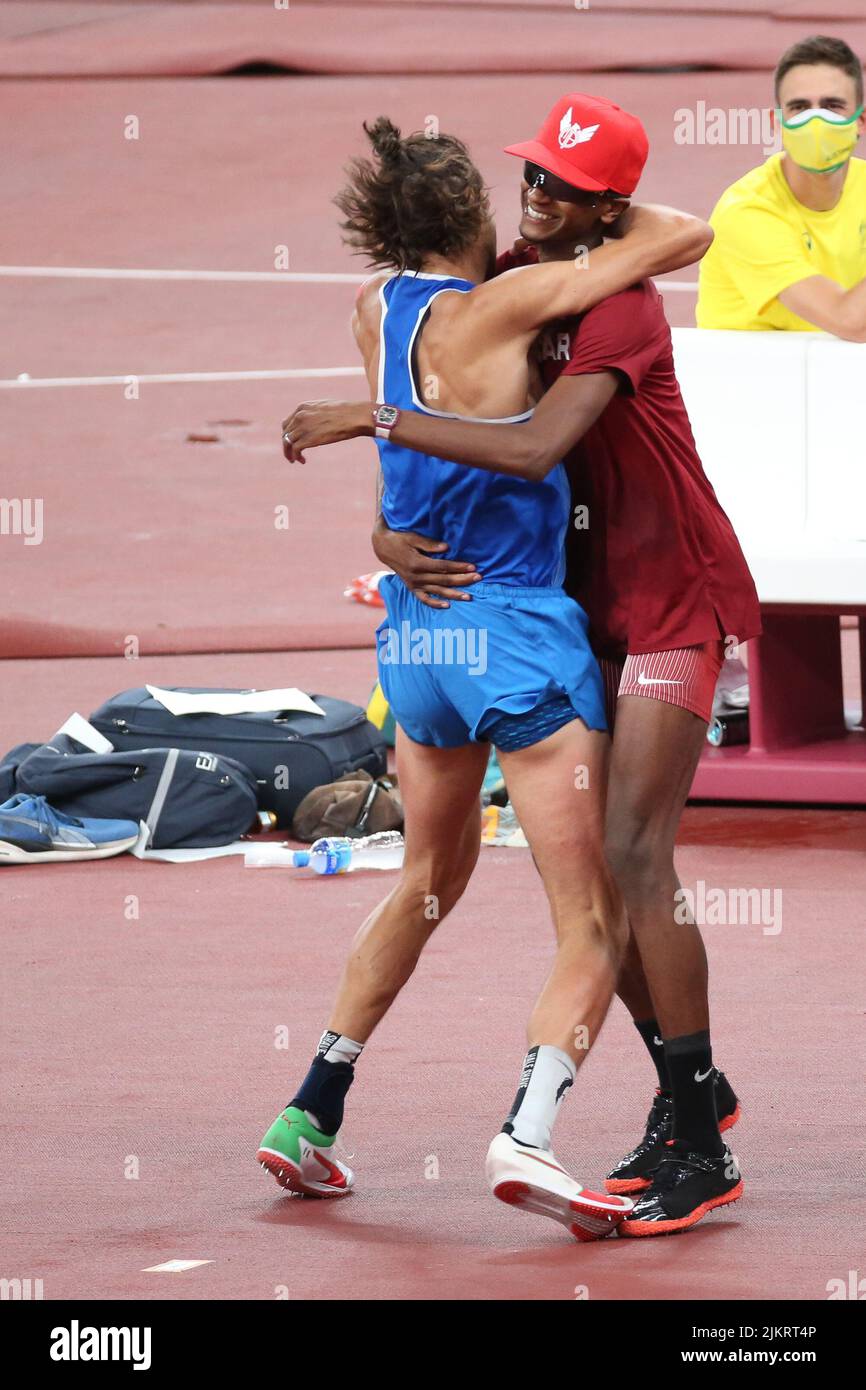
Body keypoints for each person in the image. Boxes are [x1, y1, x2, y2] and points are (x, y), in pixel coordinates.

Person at [284, 92, 760, 1237]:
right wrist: (385, 537)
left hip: (666, 604)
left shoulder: (619, 311)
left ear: (606, 205)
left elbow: (536, 444)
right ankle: (694, 1092)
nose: (534, 195)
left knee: (633, 854)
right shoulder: (514, 274)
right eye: (529, 175)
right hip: (575, 607)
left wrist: (369, 421)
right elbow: (444, 382)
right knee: (601, 865)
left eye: (562, 184)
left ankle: (695, 1139)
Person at [697, 34, 866, 340]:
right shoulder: (747, 212)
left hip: (835, 367)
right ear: (778, 124)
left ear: (861, 120)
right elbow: (851, 321)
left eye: (832, 106)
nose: (816, 121)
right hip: (751, 379)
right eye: (800, 108)